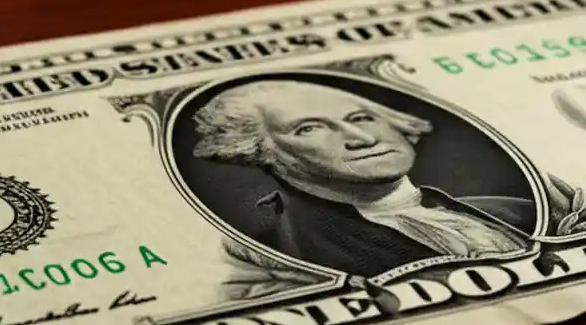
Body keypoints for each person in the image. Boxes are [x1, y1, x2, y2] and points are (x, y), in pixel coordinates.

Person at [193, 79, 533, 277]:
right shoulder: (278, 257)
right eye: (309, 128)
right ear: (258, 149)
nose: (363, 138)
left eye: (362, 117)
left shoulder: (514, 211)